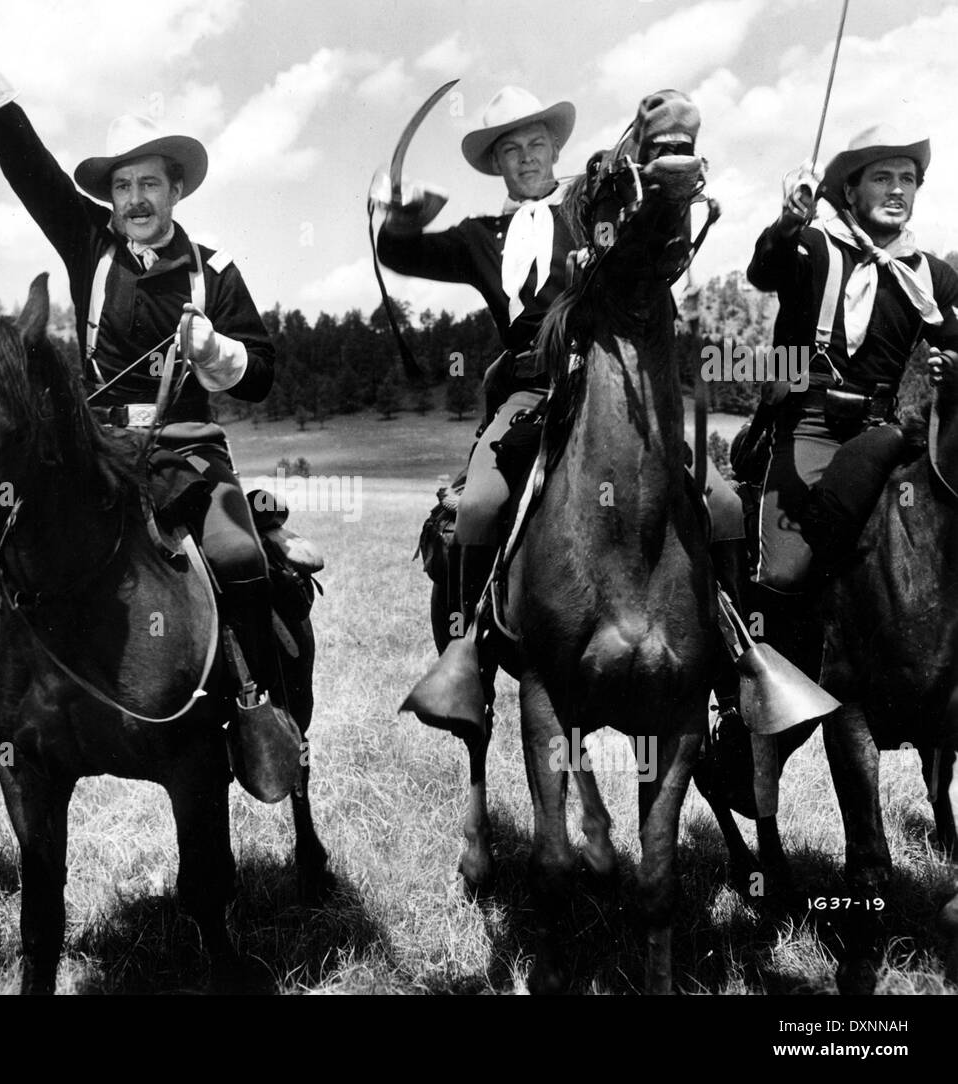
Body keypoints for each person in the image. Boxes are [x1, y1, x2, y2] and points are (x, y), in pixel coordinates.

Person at [0, 12, 299, 794]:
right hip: (97, 453)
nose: (134, 200)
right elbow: (22, 158)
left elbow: (262, 372)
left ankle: (256, 706)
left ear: (176, 189)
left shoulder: (216, 272)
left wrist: (215, 355)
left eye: (148, 185)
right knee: (9, 539)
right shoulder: (89, 247)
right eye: (122, 187)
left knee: (237, 556)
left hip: (189, 452)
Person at [379, 87, 742, 730]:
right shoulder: (477, 237)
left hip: (613, 382)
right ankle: (467, 661)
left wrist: (658, 164)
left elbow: (645, 209)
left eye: (536, 144)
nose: (526, 157)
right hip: (529, 393)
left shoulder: (591, 199)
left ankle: (739, 661)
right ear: (497, 164)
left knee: (723, 502)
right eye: (510, 149)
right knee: (479, 505)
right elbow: (400, 254)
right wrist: (400, 216)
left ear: (556, 147)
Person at [744, 125, 958, 672]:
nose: (896, 190)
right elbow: (763, 270)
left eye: (907, 179)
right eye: (882, 177)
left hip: (884, 434)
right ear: (851, 192)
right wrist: (790, 220)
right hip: (806, 425)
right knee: (786, 571)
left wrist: (953, 367)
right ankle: (764, 674)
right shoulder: (813, 246)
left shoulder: (933, 275)